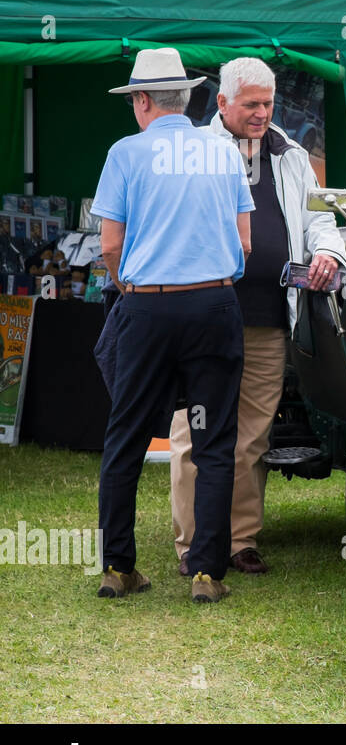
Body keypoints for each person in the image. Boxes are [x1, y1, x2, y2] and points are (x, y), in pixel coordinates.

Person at [170, 58, 346, 577]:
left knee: (252, 435)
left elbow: (321, 220)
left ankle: (238, 540)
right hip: (203, 314)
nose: (262, 114)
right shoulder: (193, 154)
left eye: (268, 104)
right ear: (221, 103)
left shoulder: (292, 154)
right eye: (251, 104)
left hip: (270, 317)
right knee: (194, 430)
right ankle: (192, 545)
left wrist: (329, 254)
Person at [91, 47, 253, 604]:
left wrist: (131, 285)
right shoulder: (224, 152)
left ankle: (118, 567)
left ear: (141, 101)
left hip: (148, 308)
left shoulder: (125, 153)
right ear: (186, 97)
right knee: (212, 442)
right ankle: (207, 573)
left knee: (127, 438)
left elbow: (110, 244)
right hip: (213, 306)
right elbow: (245, 244)